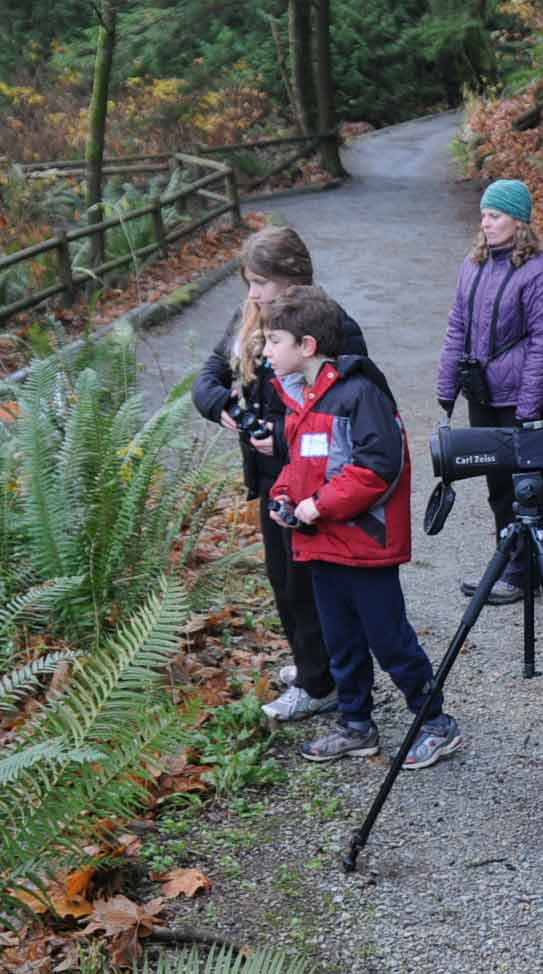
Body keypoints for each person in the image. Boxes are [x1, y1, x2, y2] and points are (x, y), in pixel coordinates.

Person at [263, 286, 462, 766]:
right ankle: (356, 724)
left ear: (307, 345)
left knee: (389, 639)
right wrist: (284, 496)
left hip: (364, 546)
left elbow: (377, 467)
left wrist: (318, 506)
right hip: (322, 546)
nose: (266, 351)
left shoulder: (359, 394)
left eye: (273, 341)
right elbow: (301, 465)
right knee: (341, 642)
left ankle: (435, 721)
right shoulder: (303, 398)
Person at [192, 226, 367, 723]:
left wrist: (283, 435)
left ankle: (322, 683)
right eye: (248, 282)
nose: (252, 294)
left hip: (315, 480)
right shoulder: (249, 320)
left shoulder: (334, 326)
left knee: (311, 583)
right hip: (271, 476)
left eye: (260, 283)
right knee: (285, 579)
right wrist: (222, 406)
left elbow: (351, 411)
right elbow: (207, 376)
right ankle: (317, 667)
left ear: (292, 279)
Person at [436, 179, 543, 603]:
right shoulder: (473, 265)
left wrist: (529, 407)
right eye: (484, 215)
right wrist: (447, 387)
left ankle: (527, 573)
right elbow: (457, 326)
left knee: (526, 486)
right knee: (496, 486)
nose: (486, 223)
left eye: (495, 215)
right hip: (483, 394)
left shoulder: (539, 272)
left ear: (518, 221)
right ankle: (508, 566)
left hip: (523, 397)